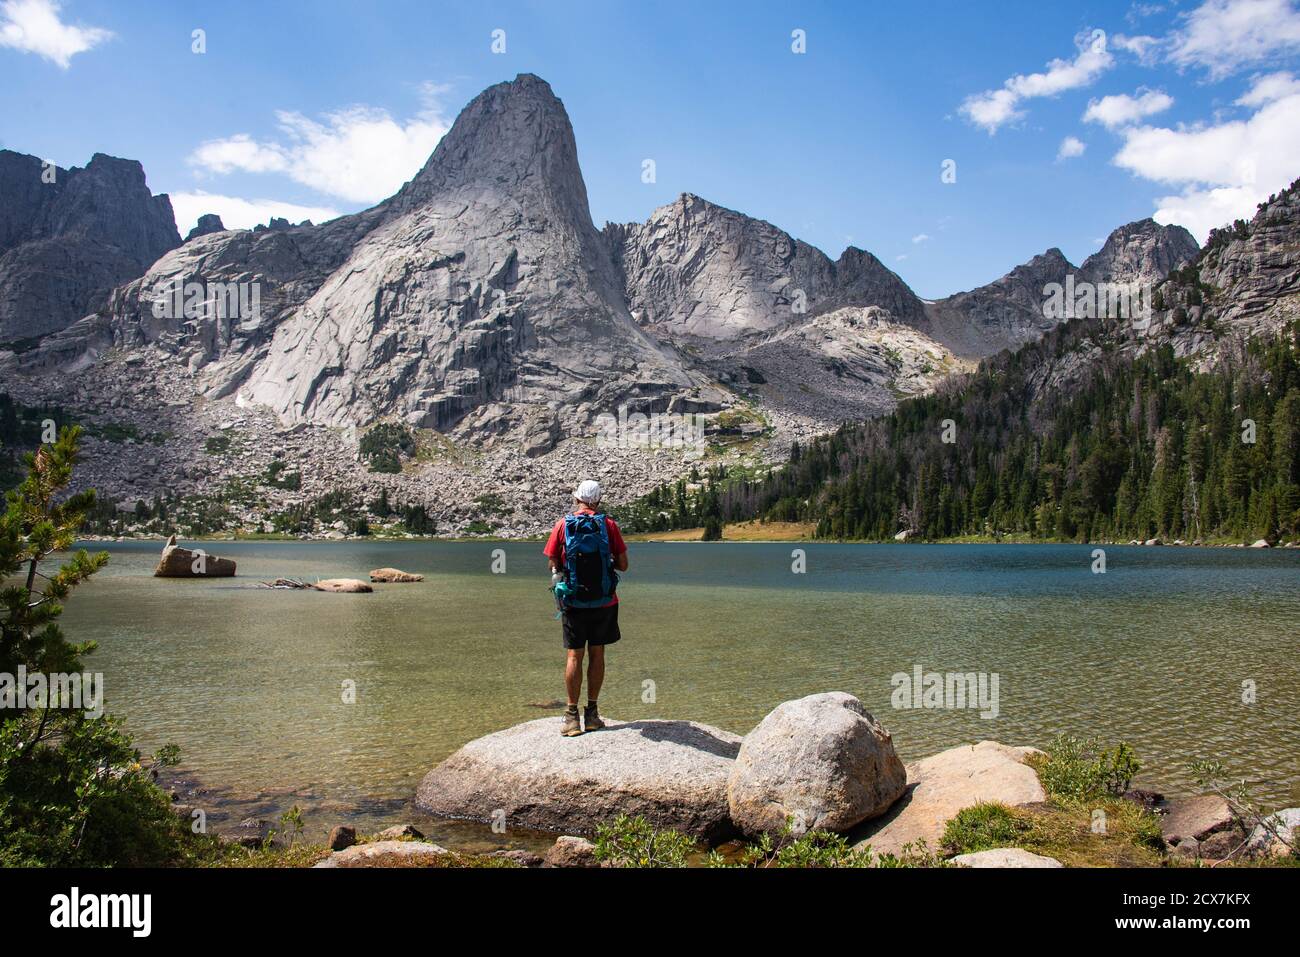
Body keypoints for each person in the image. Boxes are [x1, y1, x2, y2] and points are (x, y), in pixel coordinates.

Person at [543, 479, 629, 737]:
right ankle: (592, 714)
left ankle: (571, 717)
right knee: (597, 654)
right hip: (604, 601)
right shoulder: (609, 525)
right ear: (598, 501)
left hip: (573, 600)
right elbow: (624, 565)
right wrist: (605, 561)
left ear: (577, 499)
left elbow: (552, 563)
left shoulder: (563, 525)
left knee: (574, 656)